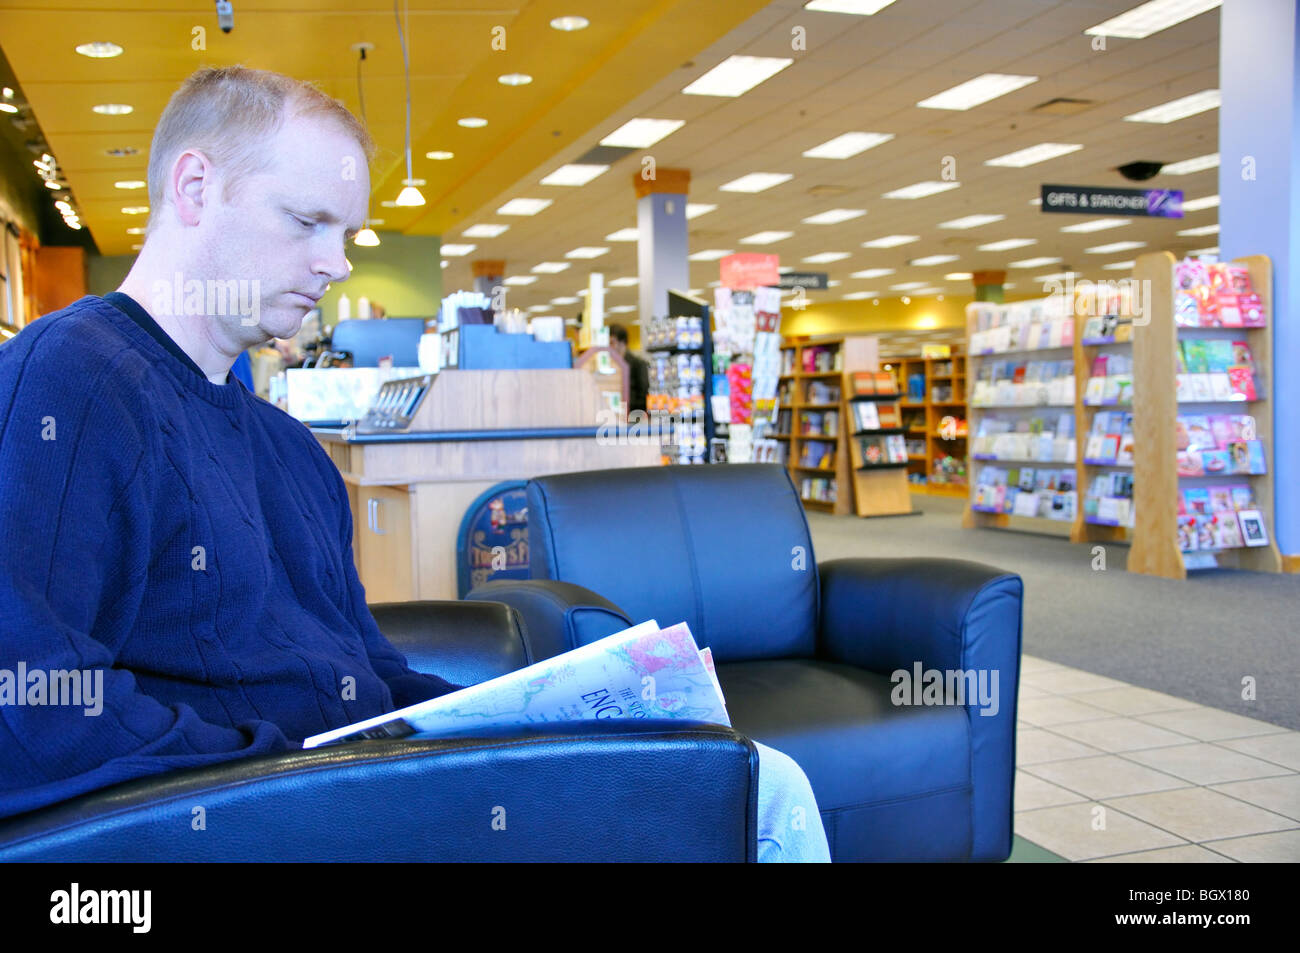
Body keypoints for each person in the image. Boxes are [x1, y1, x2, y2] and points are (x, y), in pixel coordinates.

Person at [0, 66, 827, 862]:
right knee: (761, 797)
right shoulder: (74, 380)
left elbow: (369, 672)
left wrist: (521, 722)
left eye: (347, 233)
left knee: (743, 772)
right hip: (256, 815)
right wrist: (273, 769)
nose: (338, 263)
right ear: (193, 188)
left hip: (346, 790)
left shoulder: (290, 450)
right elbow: (29, 710)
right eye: (305, 221)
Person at [607, 322, 649, 416]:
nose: (609, 347)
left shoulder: (638, 364)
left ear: (622, 342)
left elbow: (644, 396)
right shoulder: (611, 366)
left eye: (612, 342)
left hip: (634, 419)